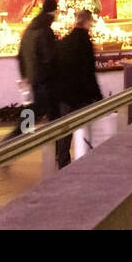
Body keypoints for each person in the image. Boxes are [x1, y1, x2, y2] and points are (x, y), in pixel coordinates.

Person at [53, 9, 103, 168]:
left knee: (64, 131)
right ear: (88, 22)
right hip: (81, 94)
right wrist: (98, 95)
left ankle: (63, 162)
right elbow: (89, 72)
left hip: (64, 92)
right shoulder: (85, 43)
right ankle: (90, 157)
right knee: (90, 126)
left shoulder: (65, 40)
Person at [10, 0, 60, 140]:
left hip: (33, 76)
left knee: (39, 108)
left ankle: (19, 135)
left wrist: (24, 75)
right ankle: (17, 136)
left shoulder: (30, 29)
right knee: (45, 110)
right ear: (53, 11)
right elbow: (49, 57)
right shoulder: (44, 30)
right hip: (45, 79)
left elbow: (20, 55)